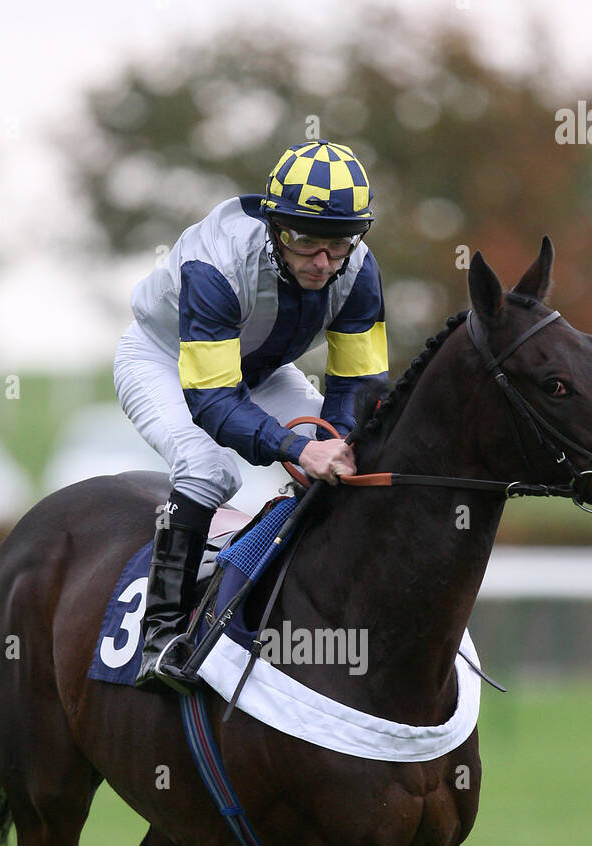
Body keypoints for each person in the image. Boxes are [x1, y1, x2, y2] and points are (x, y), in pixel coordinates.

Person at [113, 138, 389, 693]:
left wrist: (332, 444)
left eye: (338, 246)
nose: (322, 262)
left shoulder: (358, 270)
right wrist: (297, 449)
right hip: (167, 362)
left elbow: (357, 384)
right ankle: (161, 635)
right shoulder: (215, 262)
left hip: (258, 370)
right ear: (274, 226)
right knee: (210, 469)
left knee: (354, 459)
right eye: (306, 241)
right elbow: (212, 402)